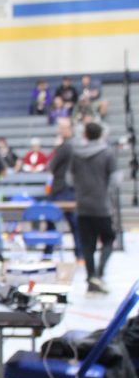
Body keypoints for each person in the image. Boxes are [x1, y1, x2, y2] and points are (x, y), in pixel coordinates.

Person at [71, 122, 117, 295]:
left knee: (87, 245)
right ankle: (99, 273)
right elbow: (115, 179)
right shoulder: (107, 153)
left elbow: (70, 178)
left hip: (82, 205)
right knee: (108, 240)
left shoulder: (77, 154)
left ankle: (91, 278)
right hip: (101, 206)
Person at [47, 117, 81, 261]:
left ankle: (48, 253)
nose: (60, 130)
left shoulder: (65, 146)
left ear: (70, 129)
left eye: (63, 127)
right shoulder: (77, 145)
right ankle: (80, 254)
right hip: (71, 188)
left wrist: (57, 147)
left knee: (52, 220)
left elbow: (51, 166)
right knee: (74, 224)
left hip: (62, 189)